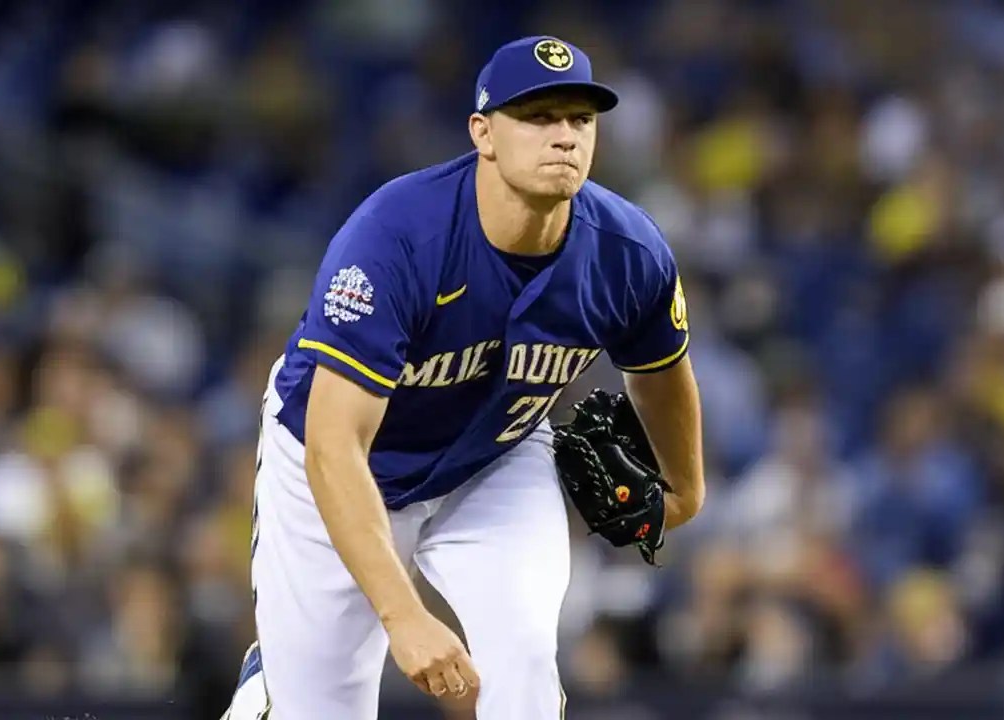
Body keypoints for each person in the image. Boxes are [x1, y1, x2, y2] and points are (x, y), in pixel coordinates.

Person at [223, 35, 706, 720]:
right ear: (483, 132)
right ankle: (272, 683)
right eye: (538, 117)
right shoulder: (396, 238)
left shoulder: (626, 251)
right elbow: (335, 446)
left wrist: (687, 487)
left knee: (525, 662)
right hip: (337, 471)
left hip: (492, 463)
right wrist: (403, 614)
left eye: (580, 119)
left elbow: (659, 370)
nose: (564, 136)